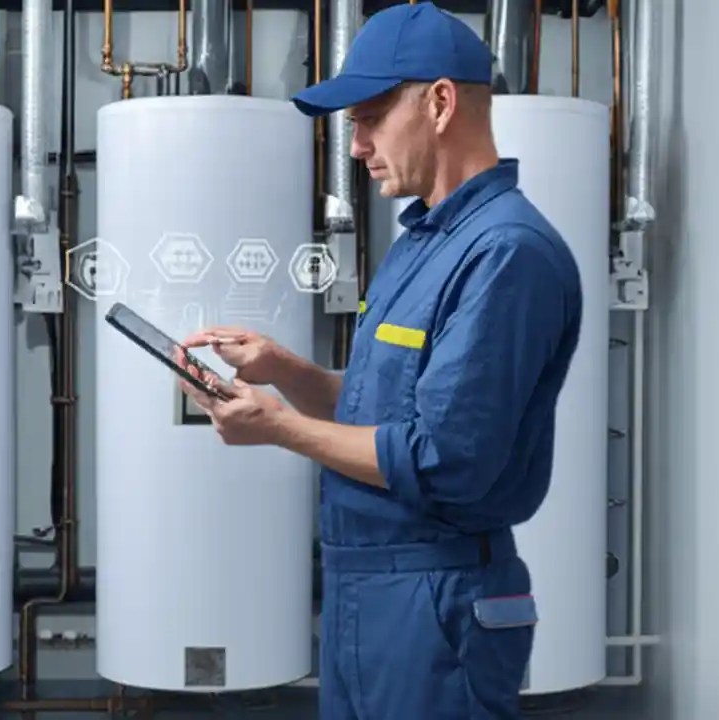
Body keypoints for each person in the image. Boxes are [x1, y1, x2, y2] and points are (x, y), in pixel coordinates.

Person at [176, 2, 583, 718]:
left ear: (439, 102)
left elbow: (442, 458)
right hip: (371, 589)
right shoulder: (421, 242)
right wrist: (287, 371)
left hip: (437, 598)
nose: (355, 145)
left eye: (367, 118)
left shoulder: (506, 254)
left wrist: (276, 427)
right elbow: (383, 411)